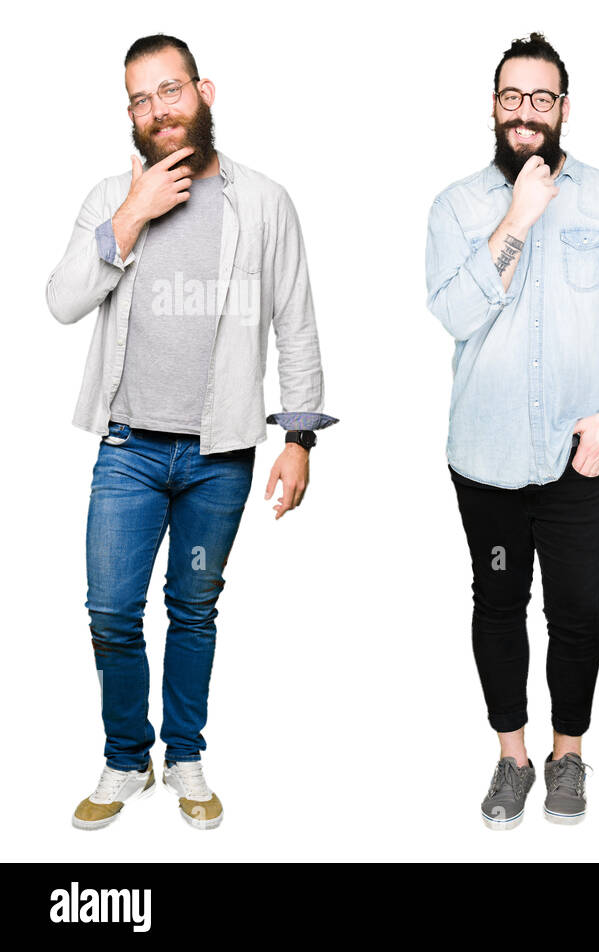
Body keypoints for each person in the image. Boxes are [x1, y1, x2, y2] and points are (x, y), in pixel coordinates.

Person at [48, 34, 337, 831]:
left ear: (204, 92)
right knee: (110, 610)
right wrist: (132, 215)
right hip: (128, 452)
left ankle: (183, 754)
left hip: (222, 457)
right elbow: (63, 299)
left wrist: (301, 439)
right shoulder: (111, 194)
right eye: (139, 100)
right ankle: (123, 758)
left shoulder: (266, 201)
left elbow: (295, 321)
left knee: (194, 607)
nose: (156, 111)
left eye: (168, 91)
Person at [425, 32, 599, 829]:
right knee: (497, 605)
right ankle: (512, 760)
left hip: (578, 462)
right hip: (486, 459)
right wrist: (519, 218)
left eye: (541, 98)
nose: (525, 113)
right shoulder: (459, 205)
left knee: (576, 612)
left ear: (564, 108)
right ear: (493, 106)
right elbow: (455, 315)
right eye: (510, 97)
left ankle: (568, 756)